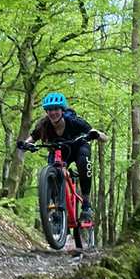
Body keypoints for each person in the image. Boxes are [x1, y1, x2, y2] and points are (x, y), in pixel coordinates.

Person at [17, 92, 108, 222]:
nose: (53, 113)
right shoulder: (44, 124)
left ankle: (86, 205)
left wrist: (96, 135)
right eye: (49, 110)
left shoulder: (74, 122)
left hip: (78, 147)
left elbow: (103, 137)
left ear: (62, 110)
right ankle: (55, 208)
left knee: (83, 161)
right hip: (59, 150)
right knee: (51, 171)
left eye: (56, 109)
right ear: (46, 112)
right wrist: (25, 145)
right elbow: (33, 138)